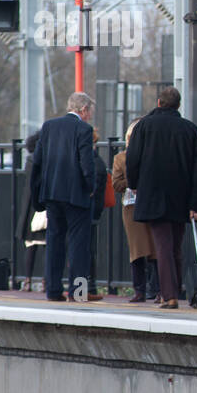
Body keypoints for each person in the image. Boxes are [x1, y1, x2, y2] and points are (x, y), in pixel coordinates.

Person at [125, 86, 197, 311]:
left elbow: (132, 160)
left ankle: (169, 295)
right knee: (175, 246)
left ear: (159, 103)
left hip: (153, 194)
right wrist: (195, 201)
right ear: (178, 105)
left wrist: (134, 185)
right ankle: (174, 289)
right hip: (181, 196)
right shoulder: (190, 130)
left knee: (162, 244)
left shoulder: (143, 127)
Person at [31, 92, 97, 302]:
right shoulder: (84, 129)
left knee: (54, 240)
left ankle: (53, 289)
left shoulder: (49, 127)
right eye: (90, 111)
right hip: (76, 195)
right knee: (79, 244)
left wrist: (38, 192)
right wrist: (91, 187)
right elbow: (86, 163)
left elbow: (37, 161)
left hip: (52, 194)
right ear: (84, 109)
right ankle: (78, 292)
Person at [111, 119, 159, 303]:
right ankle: (139, 289)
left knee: (155, 248)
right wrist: (132, 185)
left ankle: (155, 289)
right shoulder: (121, 158)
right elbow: (116, 183)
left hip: (151, 205)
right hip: (132, 207)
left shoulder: (153, 155)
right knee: (137, 249)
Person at [17, 132, 46, 291]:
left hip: (29, 207)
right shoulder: (47, 159)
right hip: (43, 206)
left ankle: (27, 281)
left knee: (30, 245)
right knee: (46, 245)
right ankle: (45, 281)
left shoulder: (30, 160)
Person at [86, 128, 111, 301]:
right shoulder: (98, 162)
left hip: (87, 212)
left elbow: (91, 190)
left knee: (83, 251)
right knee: (87, 250)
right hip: (93, 212)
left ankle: (85, 288)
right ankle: (87, 287)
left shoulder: (92, 163)